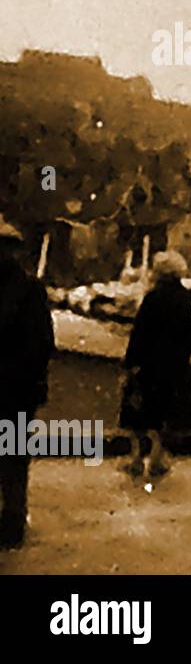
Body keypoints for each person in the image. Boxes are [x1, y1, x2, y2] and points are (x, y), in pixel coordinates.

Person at [120, 251, 191, 479]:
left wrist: (130, 363)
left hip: (150, 364)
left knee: (140, 411)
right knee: (169, 413)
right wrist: (186, 351)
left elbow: (139, 333)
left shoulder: (152, 299)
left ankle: (137, 457)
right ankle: (158, 456)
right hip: (177, 364)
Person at [0, 216, 54, 548]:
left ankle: (12, 520)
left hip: (15, 390)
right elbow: (43, 344)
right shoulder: (31, 289)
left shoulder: (30, 290)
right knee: (14, 461)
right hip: (18, 392)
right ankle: (13, 522)